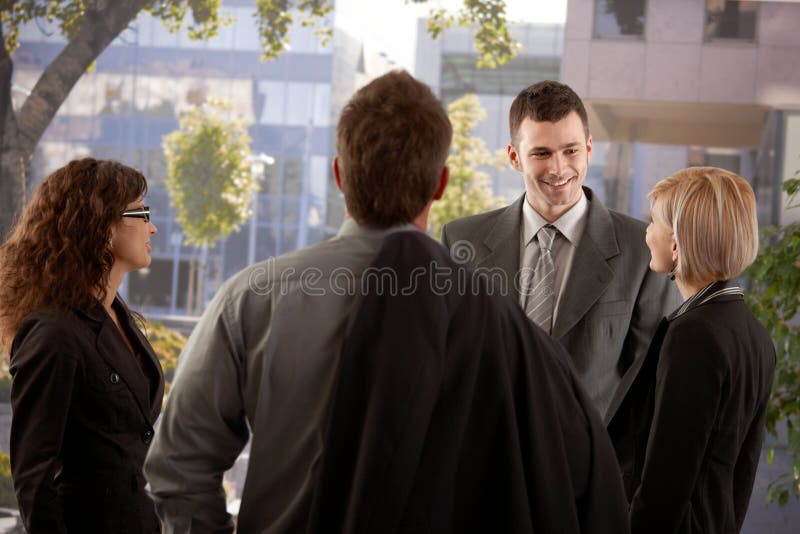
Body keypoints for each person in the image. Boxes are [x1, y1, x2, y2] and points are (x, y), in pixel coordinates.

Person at [144, 70, 629, 533]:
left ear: (339, 174)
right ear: (440, 184)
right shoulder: (499, 318)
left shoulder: (251, 298)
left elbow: (177, 467)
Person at [441, 80, 680, 422]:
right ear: (514, 157)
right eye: (541, 153)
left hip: (587, 467)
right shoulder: (461, 240)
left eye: (571, 150)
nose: (558, 168)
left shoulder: (640, 249)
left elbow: (651, 387)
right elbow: (451, 365)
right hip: (484, 462)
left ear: (589, 149)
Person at [0, 157, 164, 533]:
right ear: (104, 226)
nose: (152, 228)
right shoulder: (54, 333)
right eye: (142, 214)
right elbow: (34, 479)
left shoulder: (116, 314)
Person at [608, 167, 775, 533]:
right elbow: (742, 474)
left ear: (678, 243)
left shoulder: (694, 335)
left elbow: (664, 484)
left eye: (654, 222)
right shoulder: (753, 333)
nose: (647, 232)